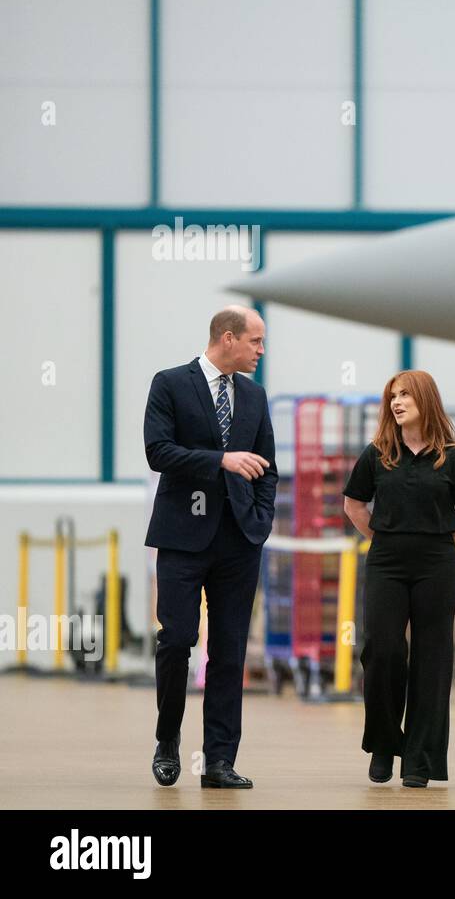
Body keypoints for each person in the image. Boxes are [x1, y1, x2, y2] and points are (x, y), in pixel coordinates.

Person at [144, 305, 276, 789]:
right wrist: (220, 460)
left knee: (230, 650)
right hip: (182, 536)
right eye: (255, 342)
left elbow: (268, 466)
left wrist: (260, 521)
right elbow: (158, 452)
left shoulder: (256, 396)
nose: (261, 351)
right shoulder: (170, 384)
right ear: (227, 338)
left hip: (239, 540)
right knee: (177, 640)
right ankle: (167, 741)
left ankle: (219, 761)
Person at [343, 370, 455, 787]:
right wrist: (387, 538)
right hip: (386, 560)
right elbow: (354, 506)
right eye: (392, 397)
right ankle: (385, 745)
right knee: (383, 652)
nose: (397, 402)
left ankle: (420, 761)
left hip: (437, 563)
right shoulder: (376, 453)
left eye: (405, 395)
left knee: (432, 659)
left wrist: (437, 541)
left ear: (426, 399)